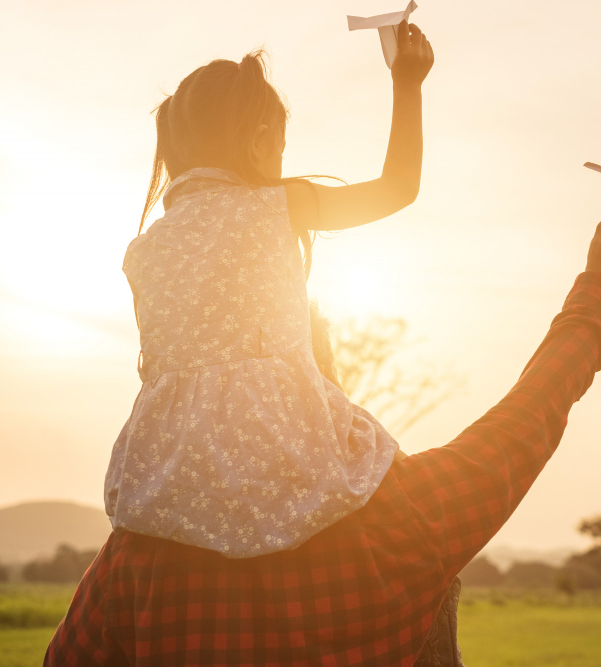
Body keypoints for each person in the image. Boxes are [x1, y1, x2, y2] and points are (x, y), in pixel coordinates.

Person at [46, 197, 601, 666]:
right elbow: (532, 411)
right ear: (322, 384)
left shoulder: (140, 557)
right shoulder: (405, 520)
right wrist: (600, 279)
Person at [104, 25, 434, 558]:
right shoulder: (280, 204)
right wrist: (408, 82)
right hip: (284, 446)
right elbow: (398, 187)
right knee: (420, 529)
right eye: (279, 148)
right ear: (259, 143)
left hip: (162, 471)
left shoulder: (142, 250)